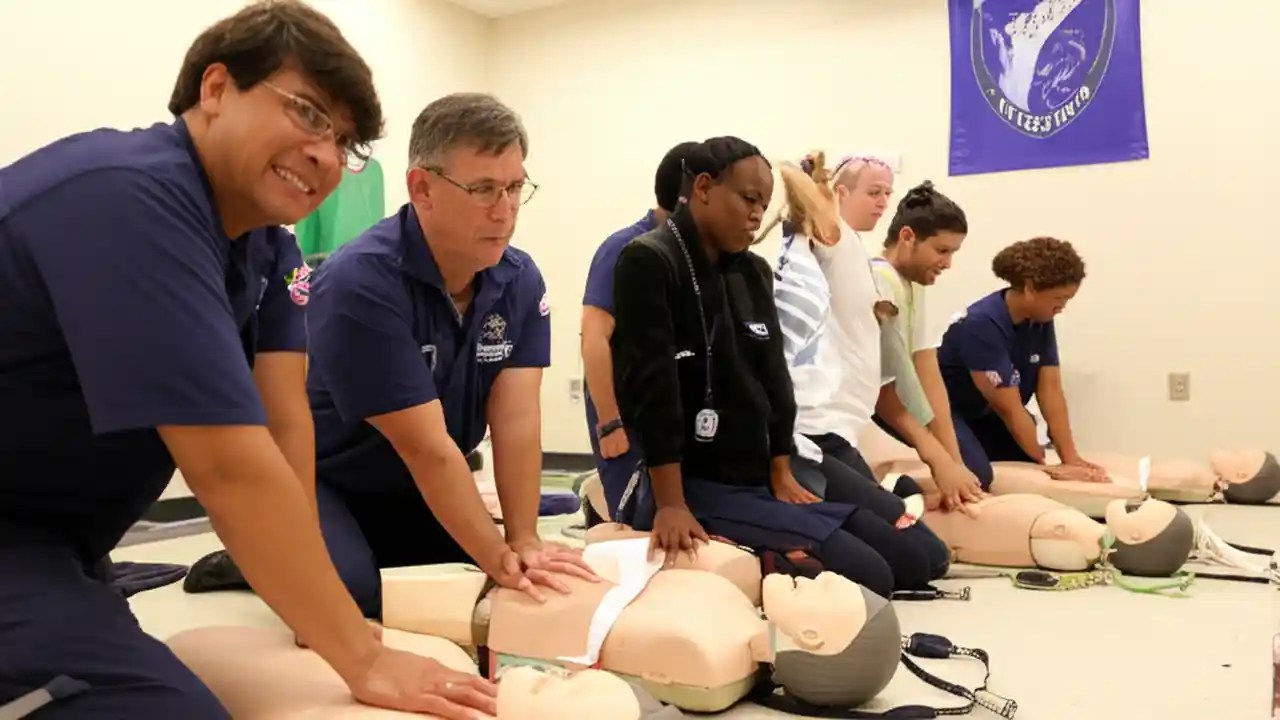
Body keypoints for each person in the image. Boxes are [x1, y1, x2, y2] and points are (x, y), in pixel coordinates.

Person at [0, 2, 499, 719]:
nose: (327, 155)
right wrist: (362, 658)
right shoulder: (129, 198)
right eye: (308, 113)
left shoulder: (270, 251)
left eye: (345, 141)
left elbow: (284, 424)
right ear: (215, 89)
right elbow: (228, 468)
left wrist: (314, 610)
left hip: (59, 543)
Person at [304, 92, 597, 621]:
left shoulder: (520, 279)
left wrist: (525, 540)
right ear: (422, 187)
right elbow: (428, 451)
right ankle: (263, 551)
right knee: (355, 601)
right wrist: (499, 558)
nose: (504, 210)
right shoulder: (361, 281)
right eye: (482, 188)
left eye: (513, 187)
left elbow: (517, 421)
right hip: (326, 482)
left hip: (418, 488)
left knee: (478, 585)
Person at [610, 138, 943, 599]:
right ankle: (764, 550)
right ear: (704, 188)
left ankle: (784, 522)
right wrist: (670, 503)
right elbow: (653, 390)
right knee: (875, 575)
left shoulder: (751, 274)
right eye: (748, 200)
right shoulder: (649, 261)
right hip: (693, 483)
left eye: (763, 204)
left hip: (762, 470)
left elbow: (773, 380)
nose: (756, 214)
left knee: (920, 558)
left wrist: (782, 468)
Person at [764, 152, 949, 583]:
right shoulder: (828, 239)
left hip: (842, 433)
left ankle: (869, 508)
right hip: (814, 436)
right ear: (838, 194)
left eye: (888, 192)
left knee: (932, 557)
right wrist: (813, 177)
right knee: (917, 563)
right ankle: (793, 539)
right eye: (873, 191)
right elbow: (799, 196)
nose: (884, 201)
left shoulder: (853, 250)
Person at [581, 141, 699, 519]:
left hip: (673, 420)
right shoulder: (624, 249)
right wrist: (610, 423)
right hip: (626, 419)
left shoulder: (695, 254)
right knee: (641, 520)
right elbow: (594, 337)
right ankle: (597, 502)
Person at [936, 236, 1107, 482]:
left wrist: (1070, 459)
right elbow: (1009, 409)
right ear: (1029, 289)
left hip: (984, 414)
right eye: (1059, 298)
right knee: (979, 476)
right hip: (947, 413)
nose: (1062, 306)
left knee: (1025, 458)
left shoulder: (1039, 319)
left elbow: (1051, 391)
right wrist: (1043, 465)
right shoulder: (981, 324)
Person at [869, 181, 988, 506]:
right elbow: (883, 391)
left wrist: (955, 462)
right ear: (907, 237)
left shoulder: (914, 284)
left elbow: (927, 368)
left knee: (977, 473)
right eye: (942, 251)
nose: (948, 263)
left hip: (899, 401)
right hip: (874, 406)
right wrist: (937, 459)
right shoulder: (880, 283)